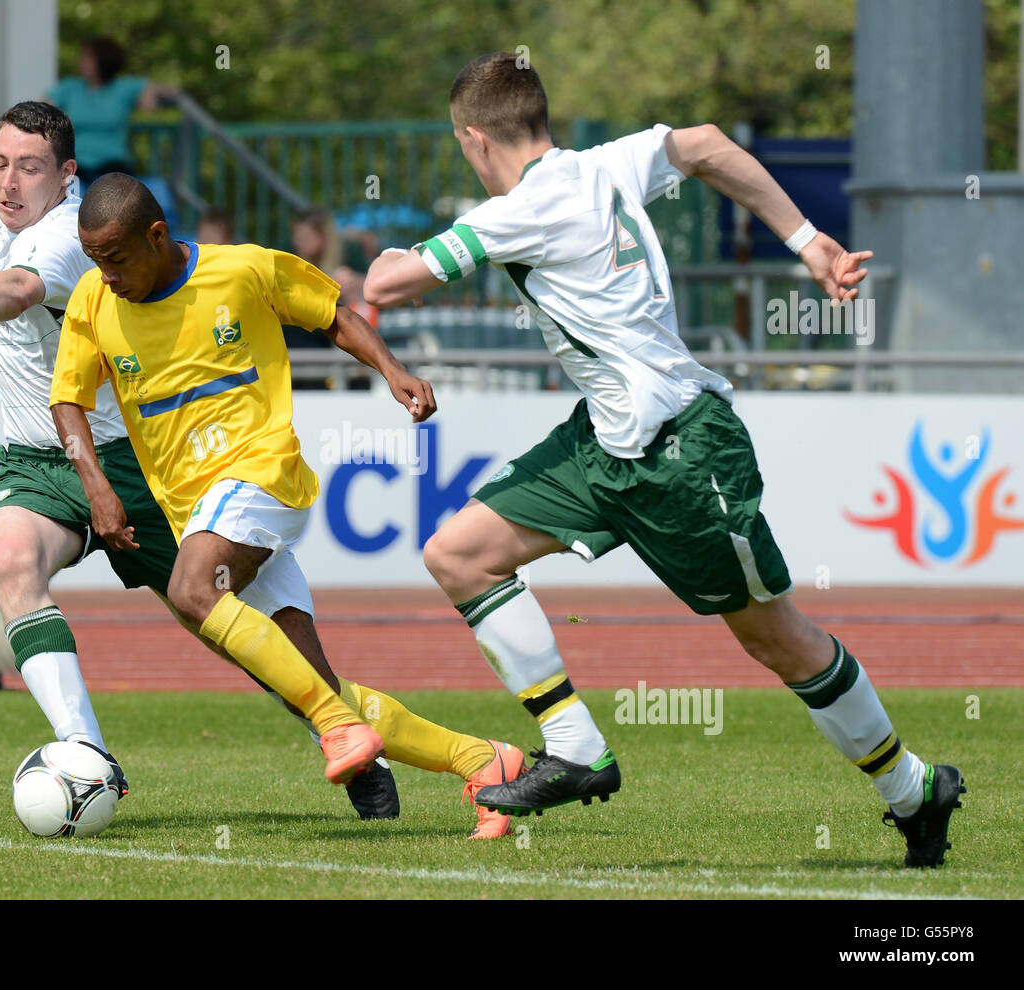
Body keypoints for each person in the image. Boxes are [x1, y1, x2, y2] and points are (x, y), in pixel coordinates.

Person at [363, 51, 965, 868]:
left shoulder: (520, 210)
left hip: (682, 453)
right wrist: (809, 241)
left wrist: (405, 254)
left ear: (473, 138)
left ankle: (913, 790)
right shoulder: (608, 165)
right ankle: (577, 748)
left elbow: (388, 282)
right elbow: (709, 144)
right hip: (605, 443)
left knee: (774, 638)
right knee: (459, 554)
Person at [49, 172, 527, 838]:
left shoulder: (242, 270)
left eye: (117, 257)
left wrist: (392, 371)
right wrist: (96, 484)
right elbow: (67, 400)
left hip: (263, 475)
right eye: (94, 259)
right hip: (197, 509)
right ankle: (484, 762)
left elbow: (330, 311)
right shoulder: (92, 302)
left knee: (193, 590)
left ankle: (335, 728)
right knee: (313, 684)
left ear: (157, 237)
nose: (105, 273)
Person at [46, 36, 176, 183]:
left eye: (87, 58)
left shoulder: (122, 87)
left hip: (112, 164)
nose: (80, 62)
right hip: (76, 163)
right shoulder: (70, 87)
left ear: (103, 60)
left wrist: (149, 92)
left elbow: (171, 89)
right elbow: (42, 107)